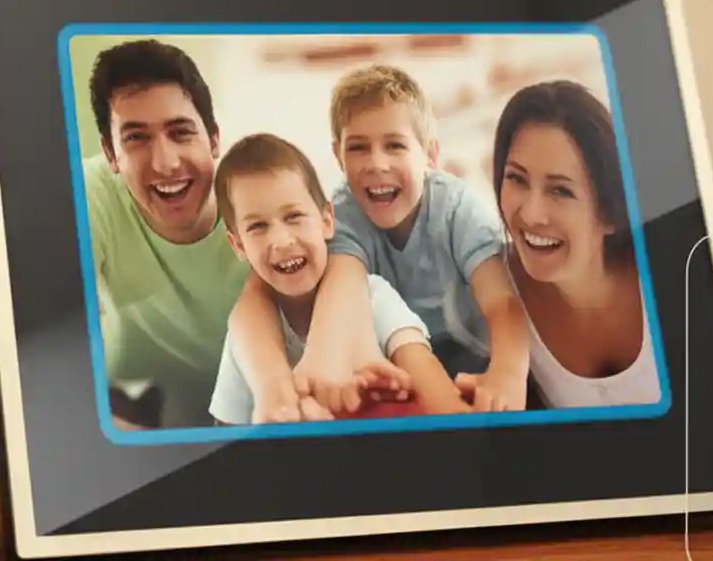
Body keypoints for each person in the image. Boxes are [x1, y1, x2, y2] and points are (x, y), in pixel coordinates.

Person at [227, 64, 531, 418]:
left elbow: (501, 301)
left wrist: (508, 375)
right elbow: (344, 281)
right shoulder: (342, 215)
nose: (377, 163)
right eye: (358, 148)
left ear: (430, 154)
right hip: (400, 367)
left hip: (477, 358)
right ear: (338, 156)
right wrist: (322, 359)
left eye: (394, 145)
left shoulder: (456, 207)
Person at [207, 133, 471, 424]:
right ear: (239, 245)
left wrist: (394, 391)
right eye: (258, 226)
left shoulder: (373, 296)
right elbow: (226, 432)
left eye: (294, 216)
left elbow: (431, 384)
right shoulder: (247, 335)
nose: (281, 241)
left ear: (327, 220)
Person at [83, 39, 277, 428]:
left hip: (253, 400)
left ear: (214, 139)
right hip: (134, 396)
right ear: (111, 154)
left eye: (181, 132)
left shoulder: (264, 193)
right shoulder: (88, 193)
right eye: (136, 138)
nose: (165, 163)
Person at [472, 80, 661, 408]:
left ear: (610, 211)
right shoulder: (492, 288)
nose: (531, 214)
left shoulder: (669, 274)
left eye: (560, 190)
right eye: (516, 178)